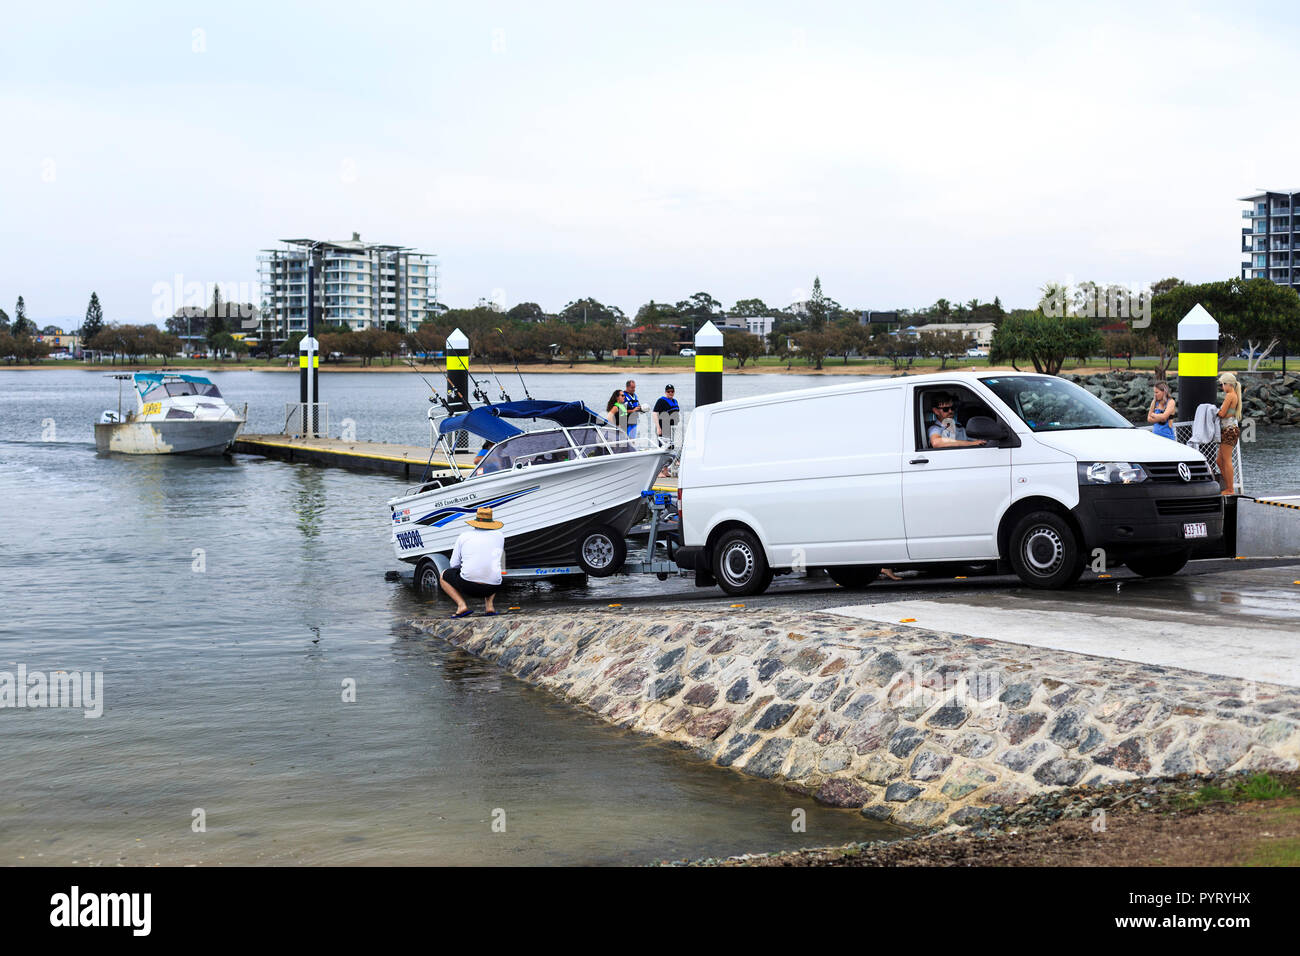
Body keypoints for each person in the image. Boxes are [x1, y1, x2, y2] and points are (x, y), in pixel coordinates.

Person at [440, 506, 506, 618]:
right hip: (493, 586)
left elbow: (453, 564)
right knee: (494, 569)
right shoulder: (500, 536)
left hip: (469, 586)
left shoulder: (464, 536)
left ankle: (461, 606)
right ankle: (489, 607)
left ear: (476, 522)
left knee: (443, 575)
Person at [1216, 372, 1242, 496]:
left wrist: (1212, 411)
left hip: (1229, 430)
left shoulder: (1229, 395)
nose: (1222, 387)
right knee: (1219, 461)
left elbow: (1222, 413)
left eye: (1223, 384)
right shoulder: (1234, 395)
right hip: (1229, 429)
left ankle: (1230, 489)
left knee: (1226, 460)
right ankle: (1228, 486)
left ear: (1228, 384)